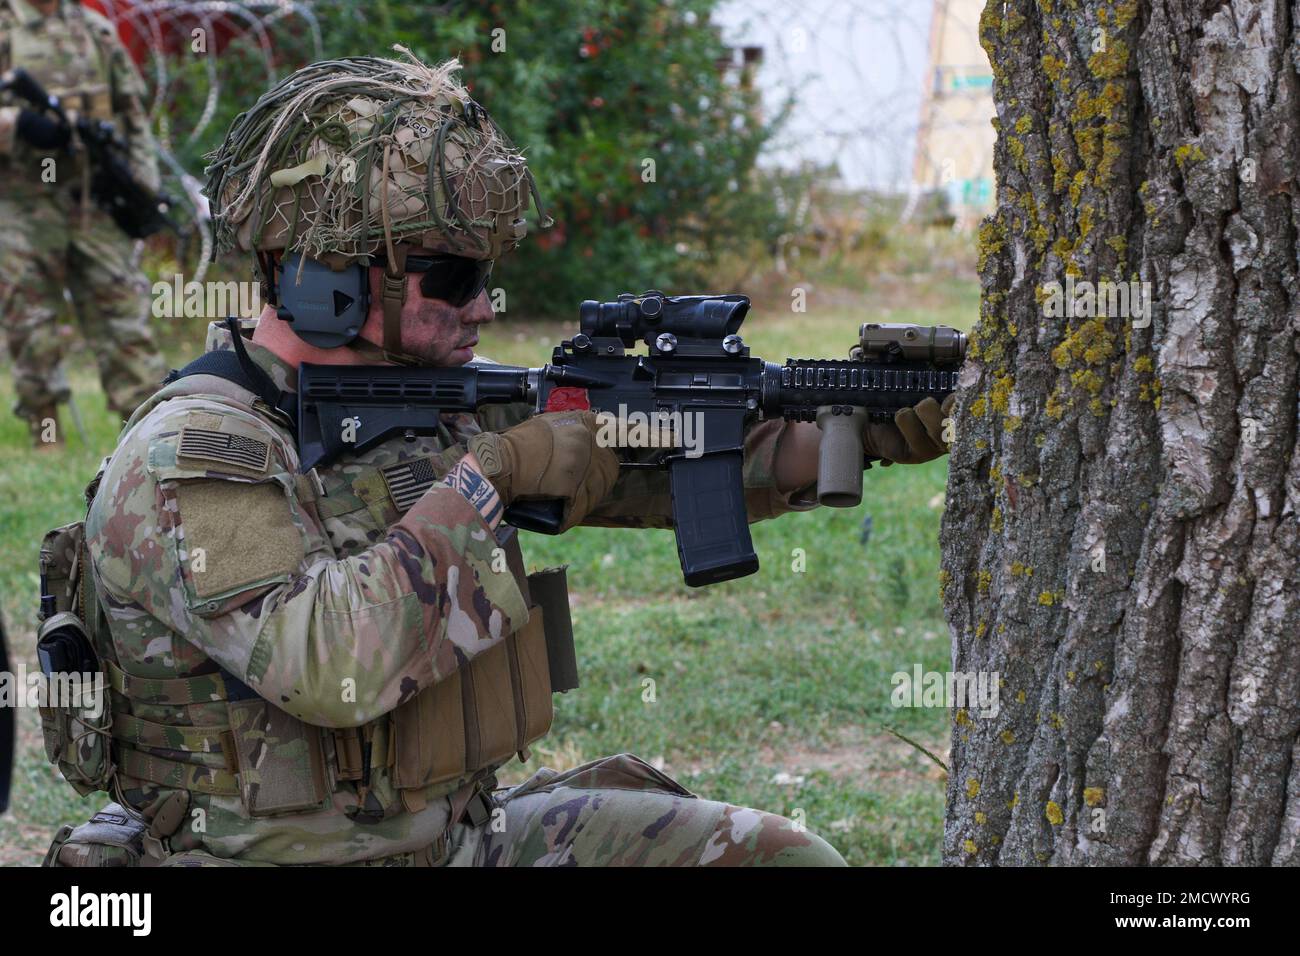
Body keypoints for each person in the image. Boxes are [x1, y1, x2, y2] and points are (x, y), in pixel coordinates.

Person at [44, 51, 951, 867]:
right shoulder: (196, 454)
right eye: (457, 278)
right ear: (328, 278)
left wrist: (838, 431)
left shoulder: (433, 392)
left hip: (459, 842)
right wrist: (494, 477)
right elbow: (325, 661)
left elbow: (652, 458)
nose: (485, 306)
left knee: (783, 861)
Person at [0, 0, 165, 448]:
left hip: (94, 202)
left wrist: (142, 188)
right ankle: (45, 432)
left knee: (125, 319)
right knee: (31, 324)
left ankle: (144, 433)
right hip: (23, 204)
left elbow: (131, 114)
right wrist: (19, 124)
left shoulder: (95, 29)